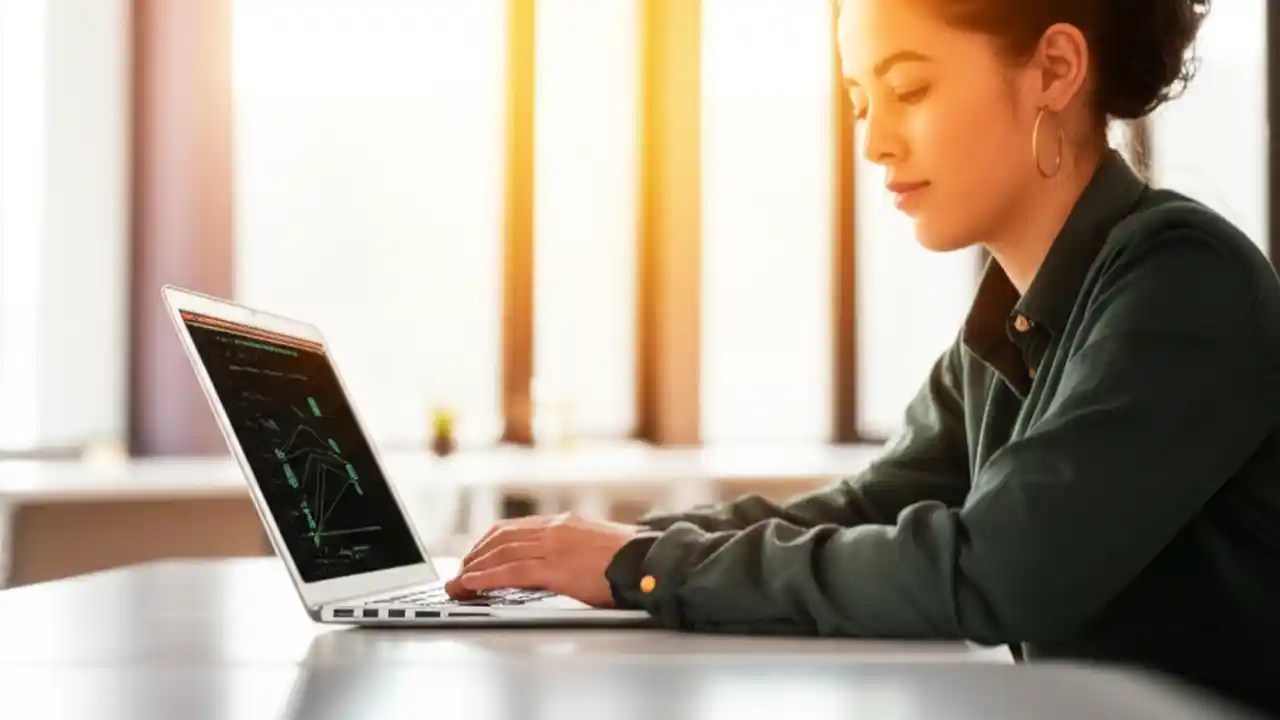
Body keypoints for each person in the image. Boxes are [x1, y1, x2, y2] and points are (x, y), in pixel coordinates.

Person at [447, 0, 1280, 711]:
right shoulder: (1018, 324)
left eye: (909, 89)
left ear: (1055, 70)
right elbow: (864, 509)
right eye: (857, 100)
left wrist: (645, 566)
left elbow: (994, 573)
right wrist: (604, 548)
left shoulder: (1183, 281)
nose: (874, 141)